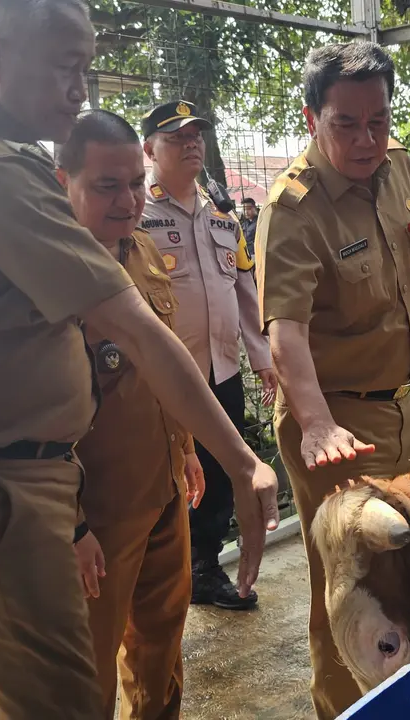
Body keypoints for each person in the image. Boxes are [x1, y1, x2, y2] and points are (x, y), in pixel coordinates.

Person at [0, 1, 278, 716]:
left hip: (21, 480)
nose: (81, 88)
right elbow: (132, 328)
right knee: (64, 701)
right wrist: (244, 463)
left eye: (85, 67)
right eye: (66, 67)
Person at [255, 40, 410, 719]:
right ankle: (343, 712)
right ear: (311, 118)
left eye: (378, 120)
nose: (366, 138)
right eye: (345, 124)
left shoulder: (398, 169)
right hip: (338, 425)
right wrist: (317, 421)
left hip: (405, 408)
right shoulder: (293, 210)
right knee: (348, 595)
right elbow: (284, 330)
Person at [56, 109, 200, 720]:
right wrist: (72, 524)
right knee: (83, 671)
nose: (128, 200)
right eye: (106, 186)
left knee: (162, 647)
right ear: (65, 181)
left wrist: (187, 449)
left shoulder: (140, 249)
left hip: (163, 490)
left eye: (136, 183)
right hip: (99, 516)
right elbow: (33, 418)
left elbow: (163, 364)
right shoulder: (50, 274)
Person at [140, 99, 277, 610]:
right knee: (166, 473)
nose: (192, 142)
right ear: (149, 148)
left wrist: (261, 355)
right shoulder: (136, 215)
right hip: (163, 378)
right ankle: (160, 569)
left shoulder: (221, 213)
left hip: (221, 370)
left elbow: (245, 286)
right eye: (177, 136)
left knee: (220, 470)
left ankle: (203, 568)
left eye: (197, 135)